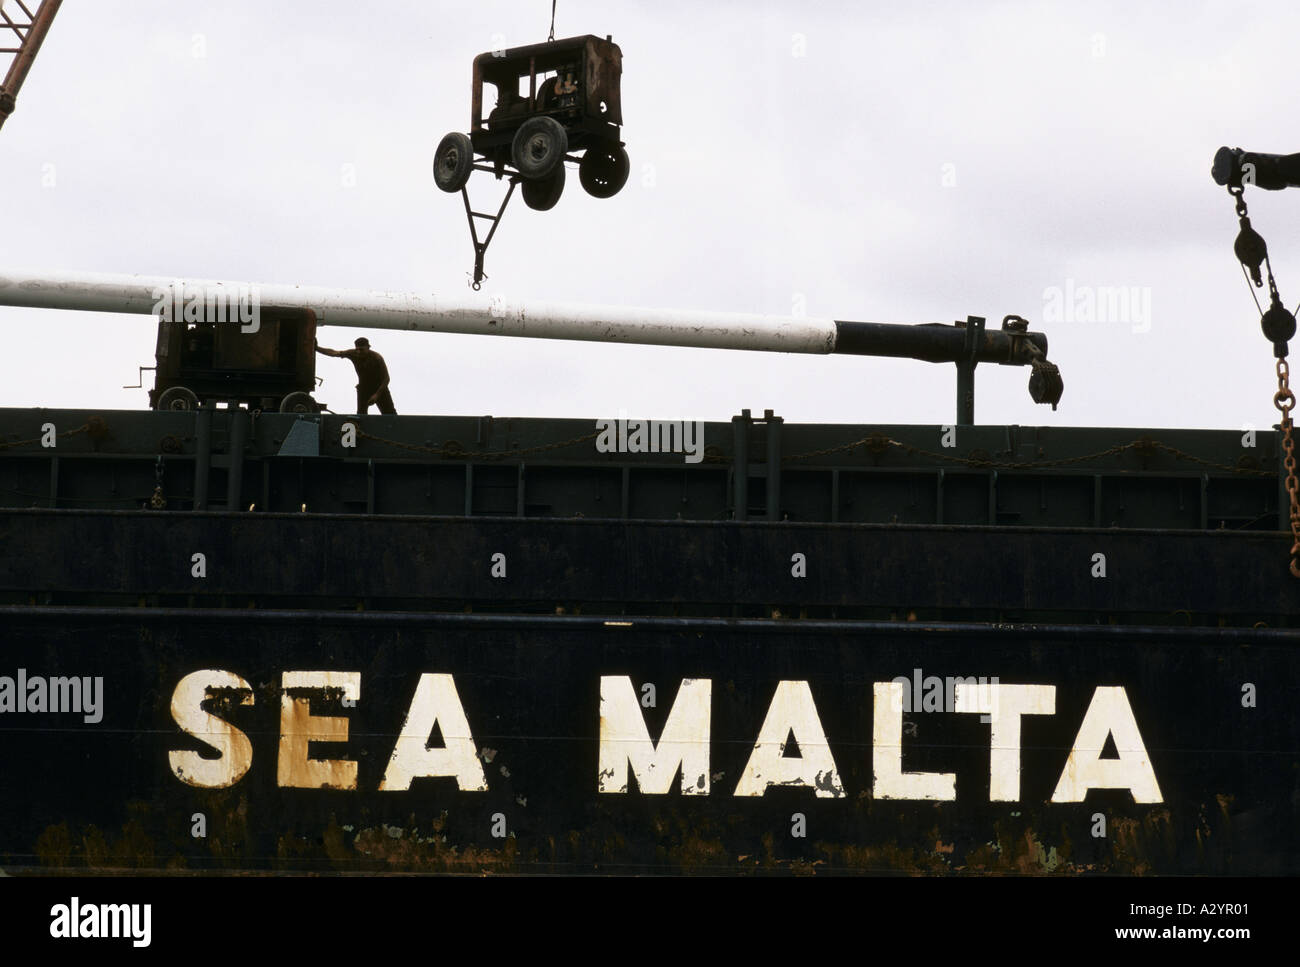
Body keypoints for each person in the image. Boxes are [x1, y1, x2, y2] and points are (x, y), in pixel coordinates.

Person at [315, 336, 396, 415]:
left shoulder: (377, 358)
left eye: (361, 349)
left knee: (390, 413)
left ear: (368, 347)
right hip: (364, 387)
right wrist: (317, 348)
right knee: (361, 414)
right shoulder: (352, 353)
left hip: (380, 388)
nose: (359, 352)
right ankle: (360, 427)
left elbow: (386, 379)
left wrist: (377, 395)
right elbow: (334, 353)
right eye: (357, 349)